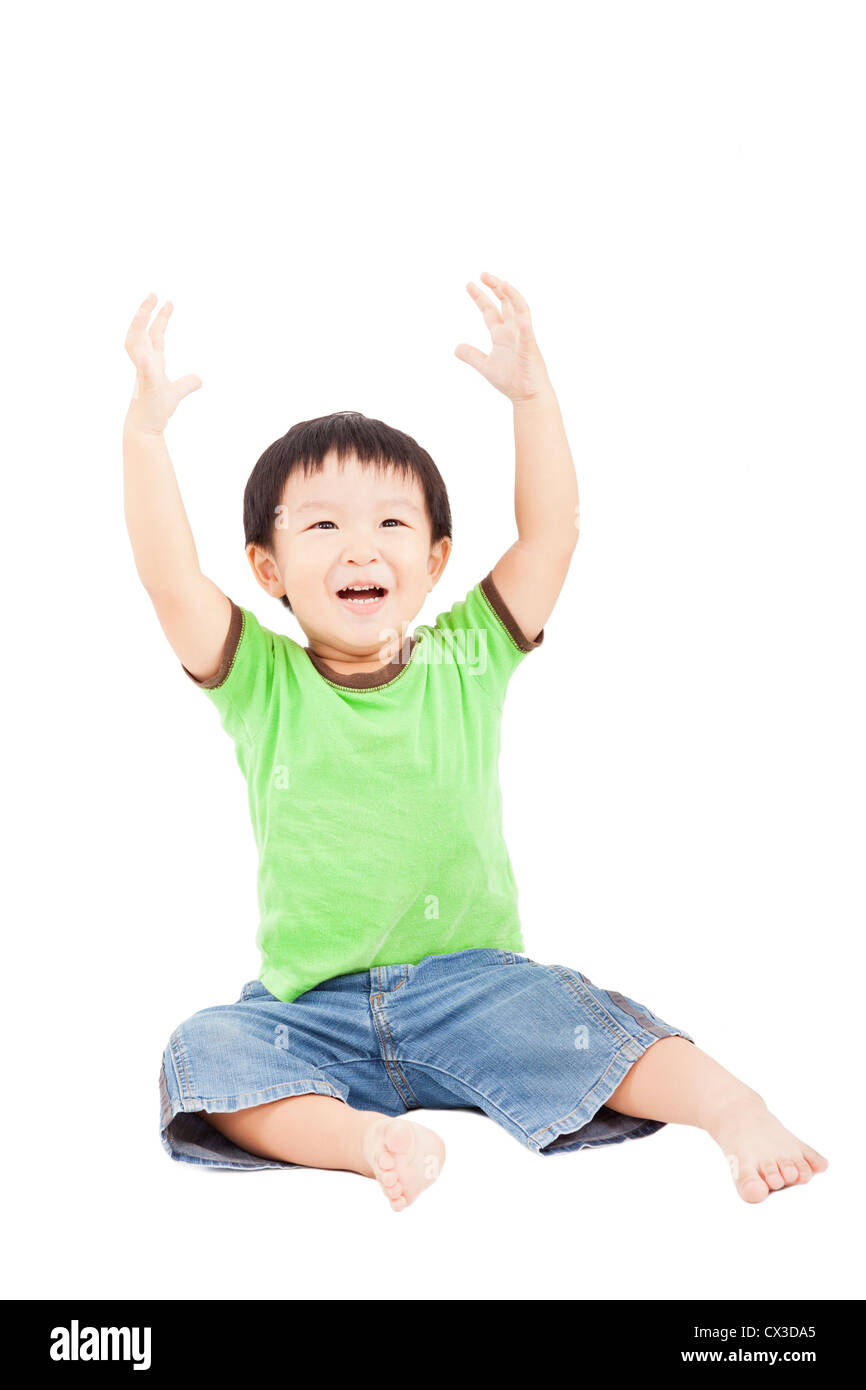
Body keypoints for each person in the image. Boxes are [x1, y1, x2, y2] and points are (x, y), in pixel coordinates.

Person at [123, 273, 828, 1210]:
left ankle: (737, 1111)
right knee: (203, 1053)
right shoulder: (262, 679)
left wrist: (532, 398)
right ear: (268, 568)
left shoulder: (466, 657)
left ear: (436, 559)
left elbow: (551, 534)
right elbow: (172, 581)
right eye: (322, 525)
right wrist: (144, 435)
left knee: (591, 1023)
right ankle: (365, 1142)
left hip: (474, 990)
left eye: (390, 524)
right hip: (311, 1011)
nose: (359, 548)